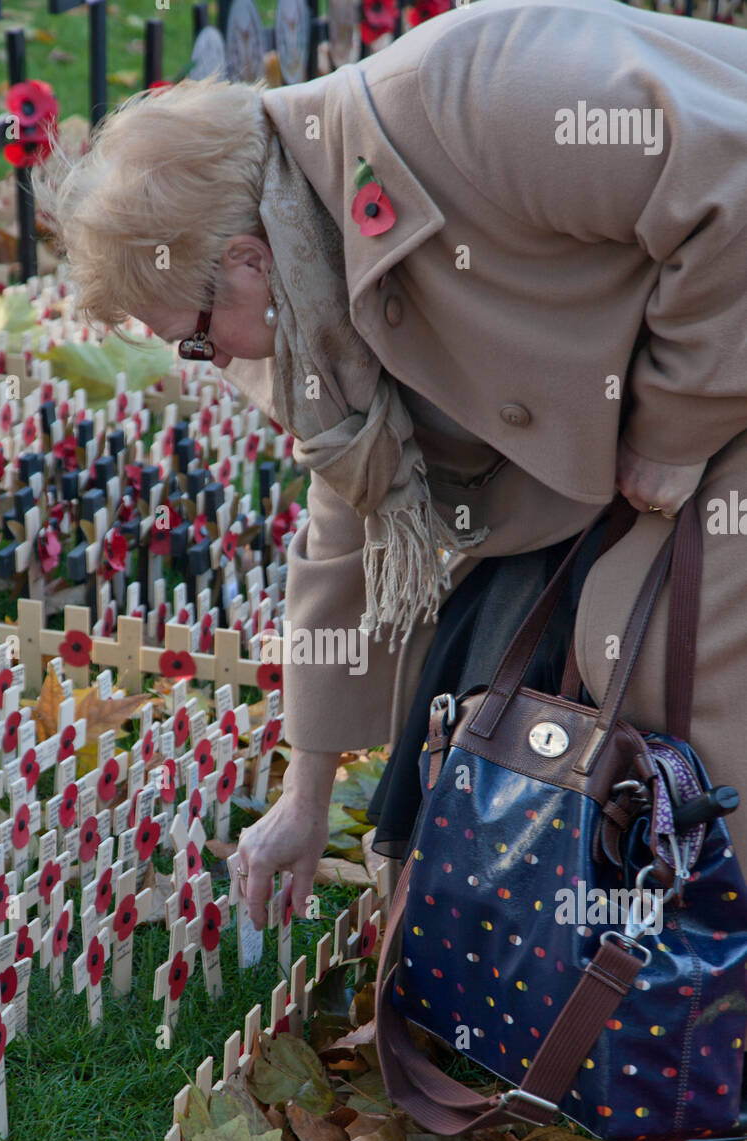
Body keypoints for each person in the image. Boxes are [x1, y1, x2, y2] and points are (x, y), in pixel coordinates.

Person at [36, 0, 747, 928]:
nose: (205, 364)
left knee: (666, 664)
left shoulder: (471, 103)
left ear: (246, 262)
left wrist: (673, 426)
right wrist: (305, 797)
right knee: (503, 668)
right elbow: (353, 521)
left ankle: (701, 1005)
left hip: (726, 353)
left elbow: (731, 189)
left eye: (197, 341)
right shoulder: (312, 272)